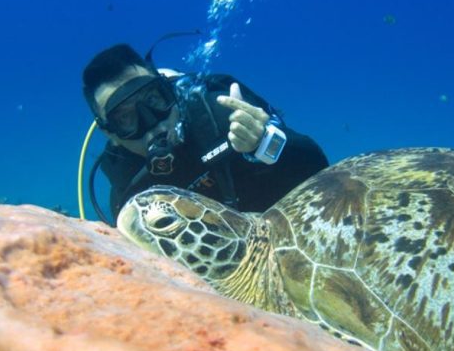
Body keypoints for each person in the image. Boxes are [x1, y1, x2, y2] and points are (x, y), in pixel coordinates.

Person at [82, 43, 328, 224]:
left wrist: (262, 144)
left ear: (171, 92)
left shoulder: (220, 112)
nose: (153, 124)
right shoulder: (128, 189)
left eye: (154, 100)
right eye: (126, 118)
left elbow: (318, 168)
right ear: (110, 134)